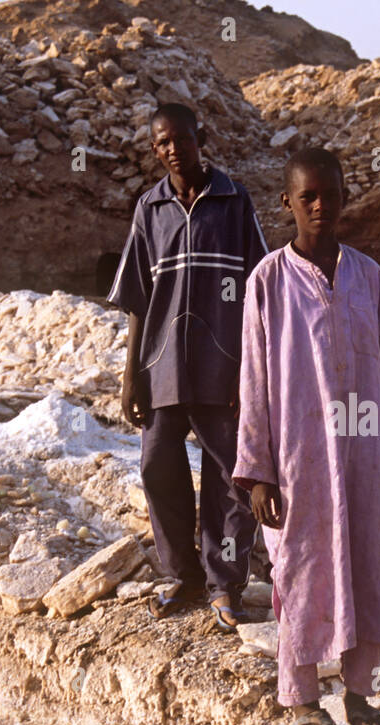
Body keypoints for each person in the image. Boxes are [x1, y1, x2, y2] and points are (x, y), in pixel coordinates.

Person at [234, 147, 380, 725]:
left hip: (363, 455)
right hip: (298, 458)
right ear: (287, 202)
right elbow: (254, 380)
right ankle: (304, 700)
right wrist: (259, 473)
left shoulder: (369, 275)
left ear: (344, 198)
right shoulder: (268, 280)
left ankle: (362, 699)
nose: (320, 206)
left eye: (330, 194)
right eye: (307, 196)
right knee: (300, 572)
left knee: (366, 569)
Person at [108, 103, 266, 630]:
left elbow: (259, 289)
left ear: (203, 138)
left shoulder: (233, 201)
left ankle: (225, 583)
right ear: (155, 150)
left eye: (181, 138)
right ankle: (183, 576)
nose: (173, 149)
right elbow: (137, 298)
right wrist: (131, 375)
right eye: (161, 142)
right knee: (158, 467)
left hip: (223, 364)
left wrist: (253, 367)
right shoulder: (148, 208)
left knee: (229, 474)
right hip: (162, 364)